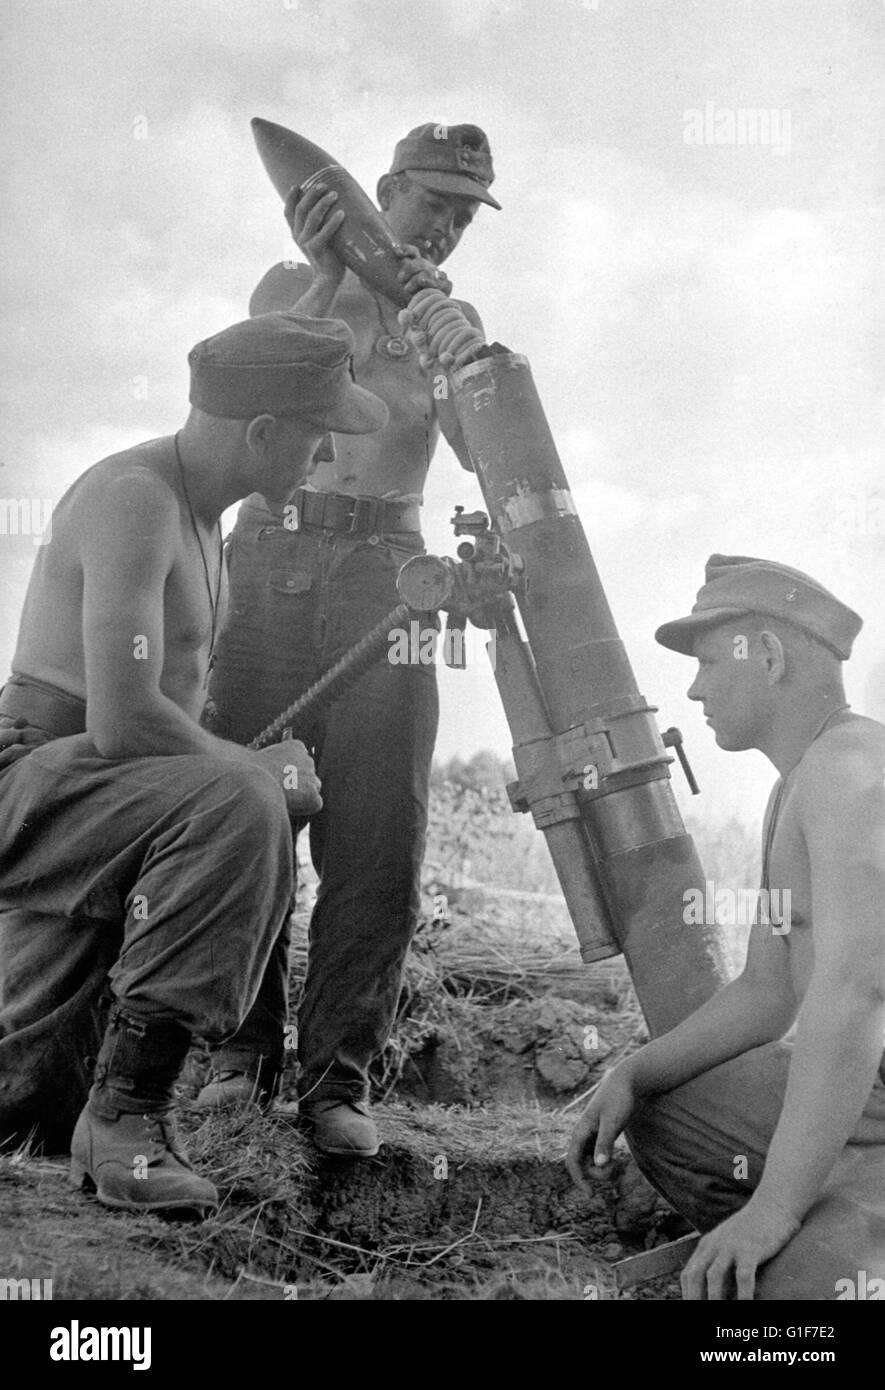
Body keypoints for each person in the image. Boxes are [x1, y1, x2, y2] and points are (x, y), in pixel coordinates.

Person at [0, 313, 387, 1214]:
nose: (325, 456)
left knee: (25, 1104)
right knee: (244, 797)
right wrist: (262, 776)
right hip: (44, 781)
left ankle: (91, 1105)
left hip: (89, 794)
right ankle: (128, 1120)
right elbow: (129, 722)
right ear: (260, 432)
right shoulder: (134, 497)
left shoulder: (202, 517)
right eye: (317, 432)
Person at [198, 124, 501, 1157]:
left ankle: (335, 1081)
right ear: (380, 191)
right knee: (249, 805)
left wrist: (455, 351)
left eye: (466, 213)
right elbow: (252, 390)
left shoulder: (446, 317)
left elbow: (479, 447)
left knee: (380, 834)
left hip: (393, 581)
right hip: (273, 557)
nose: (448, 226)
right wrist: (331, 277)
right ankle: (237, 1060)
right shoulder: (289, 280)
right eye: (433, 203)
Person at [567, 555, 885, 1299]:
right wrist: (632, 1074)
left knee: (782, 1325)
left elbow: (857, 993)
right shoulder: (802, 778)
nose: (694, 687)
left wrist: (773, 1207)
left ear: (767, 657)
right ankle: (834, 1214)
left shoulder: (851, 773)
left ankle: (830, 1235)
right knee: (665, 1112)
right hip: (874, 1100)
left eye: (711, 662)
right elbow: (767, 991)